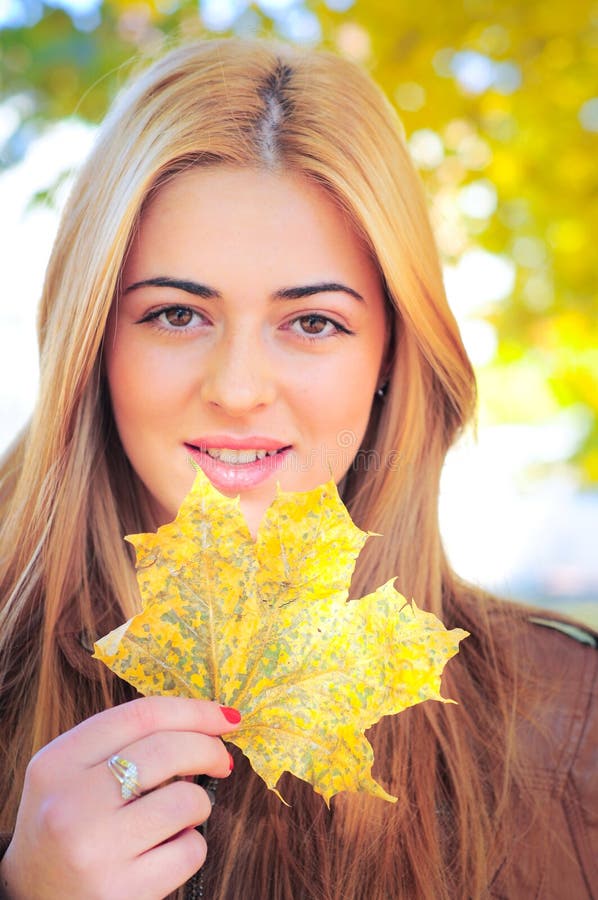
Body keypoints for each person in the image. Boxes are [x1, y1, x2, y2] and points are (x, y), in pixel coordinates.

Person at [0, 37, 596, 900]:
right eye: (175, 314)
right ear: (93, 341)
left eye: (312, 323)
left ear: (393, 351)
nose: (238, 389)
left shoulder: (567, 725)